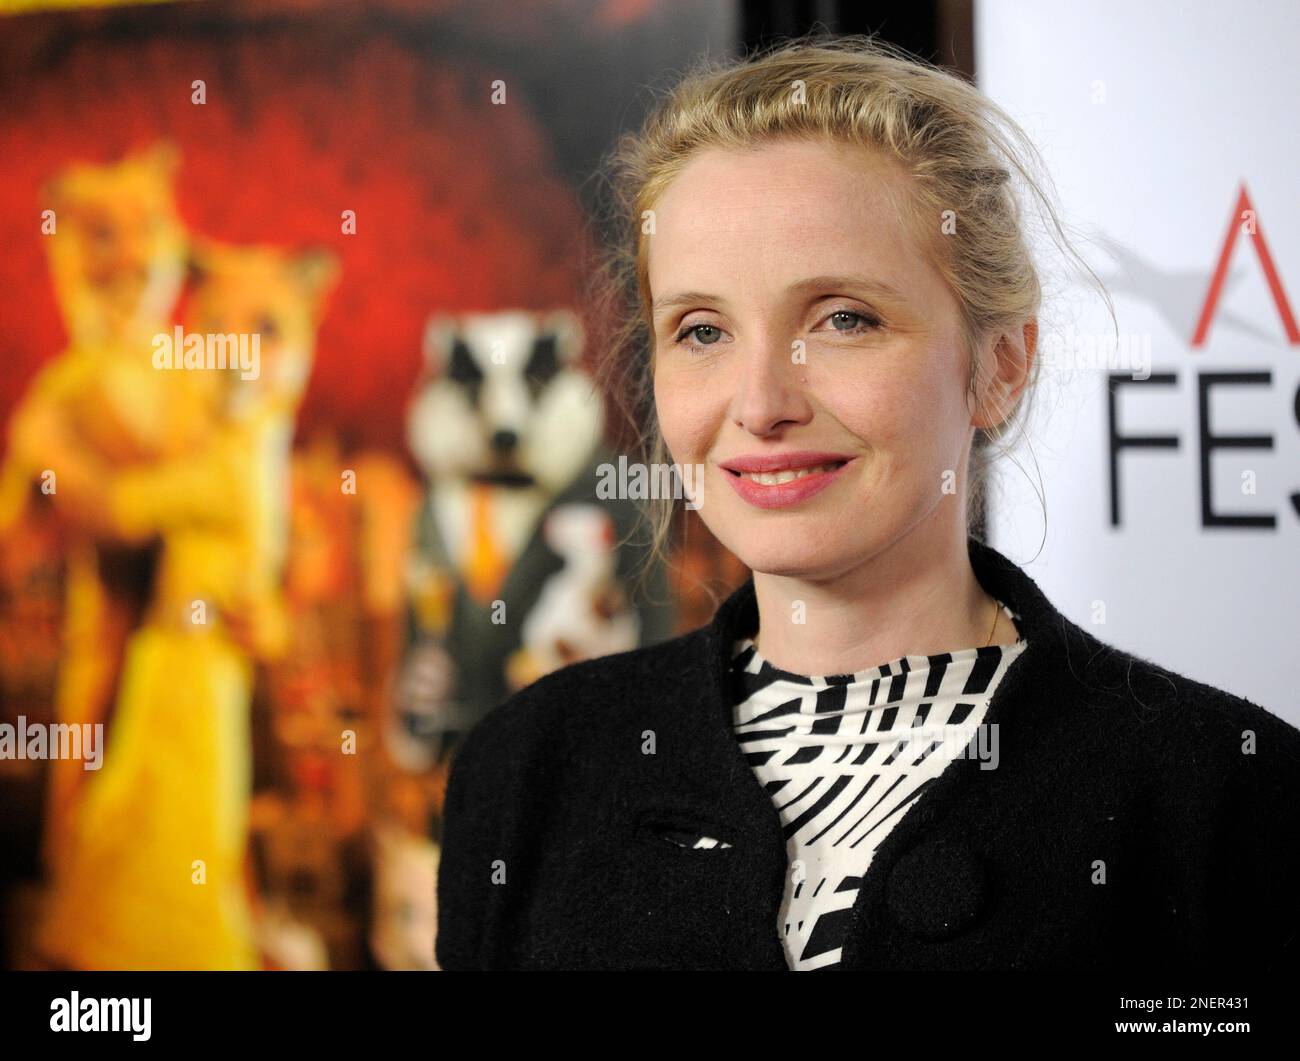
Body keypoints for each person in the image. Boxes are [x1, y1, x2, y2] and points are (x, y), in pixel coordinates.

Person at [434, 34, 1300, 971]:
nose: (762, 402)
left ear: (999, 365)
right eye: (702, 330)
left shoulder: (1232, 796)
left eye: (843, 319)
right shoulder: (525, 772)